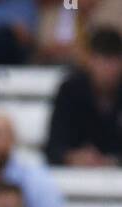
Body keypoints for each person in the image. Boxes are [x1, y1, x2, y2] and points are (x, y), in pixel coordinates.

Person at [46, 26, 122, 166]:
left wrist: (113, 160)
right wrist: (71, 156)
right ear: (90, 60)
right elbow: (54, 146)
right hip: (74, 174)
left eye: (113, 61)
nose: (108, 69)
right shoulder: (70, 91)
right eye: (102, 60)